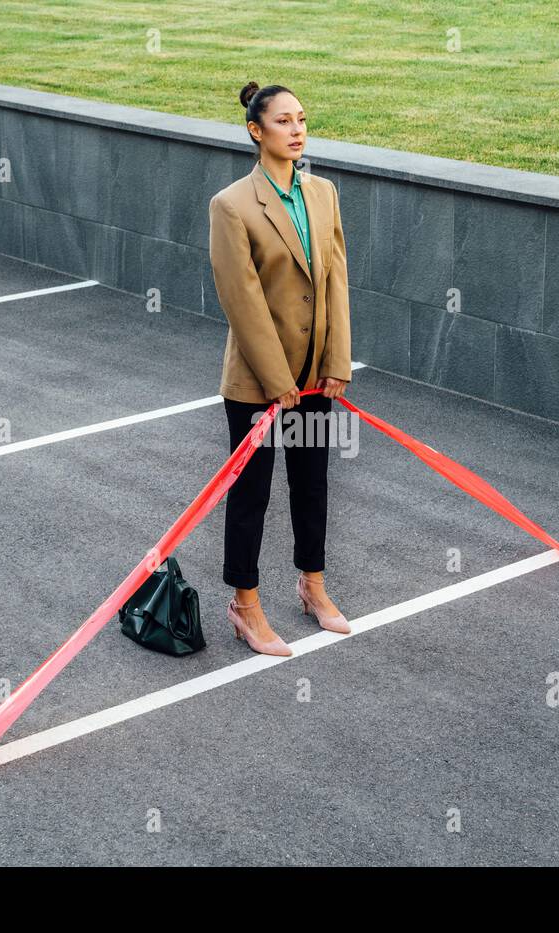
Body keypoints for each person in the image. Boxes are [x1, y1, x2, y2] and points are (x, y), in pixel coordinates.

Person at [207, 80, 353, 657]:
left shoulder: (324, 193)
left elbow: (337, 278)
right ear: (255, 131)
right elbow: (240, 299)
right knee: (252, 494)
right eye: (284, 122)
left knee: (312, 483)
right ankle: (245, 605)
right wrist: (277, 384)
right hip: (257, 384)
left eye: (302, 120)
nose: (297, 130)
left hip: (317, 375)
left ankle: (312, 587)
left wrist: (336, 360)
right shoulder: (231, 205)